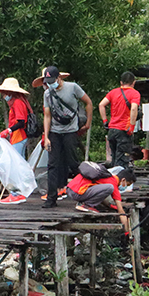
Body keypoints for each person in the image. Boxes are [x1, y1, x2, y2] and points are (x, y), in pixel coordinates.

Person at [35, 66, 92, 209]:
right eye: (48, 82)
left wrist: (88, 123)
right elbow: (47, 115)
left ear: (59, 78)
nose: (50, 84)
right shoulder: (47, 93)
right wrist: (46, 136)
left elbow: (88, 102)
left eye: (52, 81)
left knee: (72, 162)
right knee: (52, 165)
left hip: (70, 130)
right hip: (55, 131)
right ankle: (51, 198)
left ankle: (86, 193)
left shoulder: (72, 88)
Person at [0, 77, 33, 204]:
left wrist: (8, 130)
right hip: (17, 137)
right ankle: (18, 193)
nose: (3, 95)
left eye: (4, 92)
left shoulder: (18, 103)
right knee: (17, 165)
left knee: (15, 166)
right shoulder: (15, 103)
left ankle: (16, 193)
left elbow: (21, 122)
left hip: (19, 137)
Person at [66, 167, 135, 234]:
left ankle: (84, 203)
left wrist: (111, 206)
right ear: (123, 180)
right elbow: (121, 213)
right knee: (109, 188)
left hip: (70, 189)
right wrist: (127, 232)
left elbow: (101, 196)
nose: (126, 187)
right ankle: (85, 205)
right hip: (76, 193)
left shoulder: (107, 177)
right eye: (127, 184)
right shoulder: (112, 183)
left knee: (106, 189)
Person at [99, 71, 141, 171]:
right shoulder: (135, 93)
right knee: (121, 163)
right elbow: (134, 109)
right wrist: (132, 126)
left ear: (121, 82)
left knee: (114, 160)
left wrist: (105, 121)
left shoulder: (113, 92)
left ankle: (113, 179)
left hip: (112, 130)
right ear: (133, 82)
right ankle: (119, 180)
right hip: (124, 131)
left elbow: (101, 105)